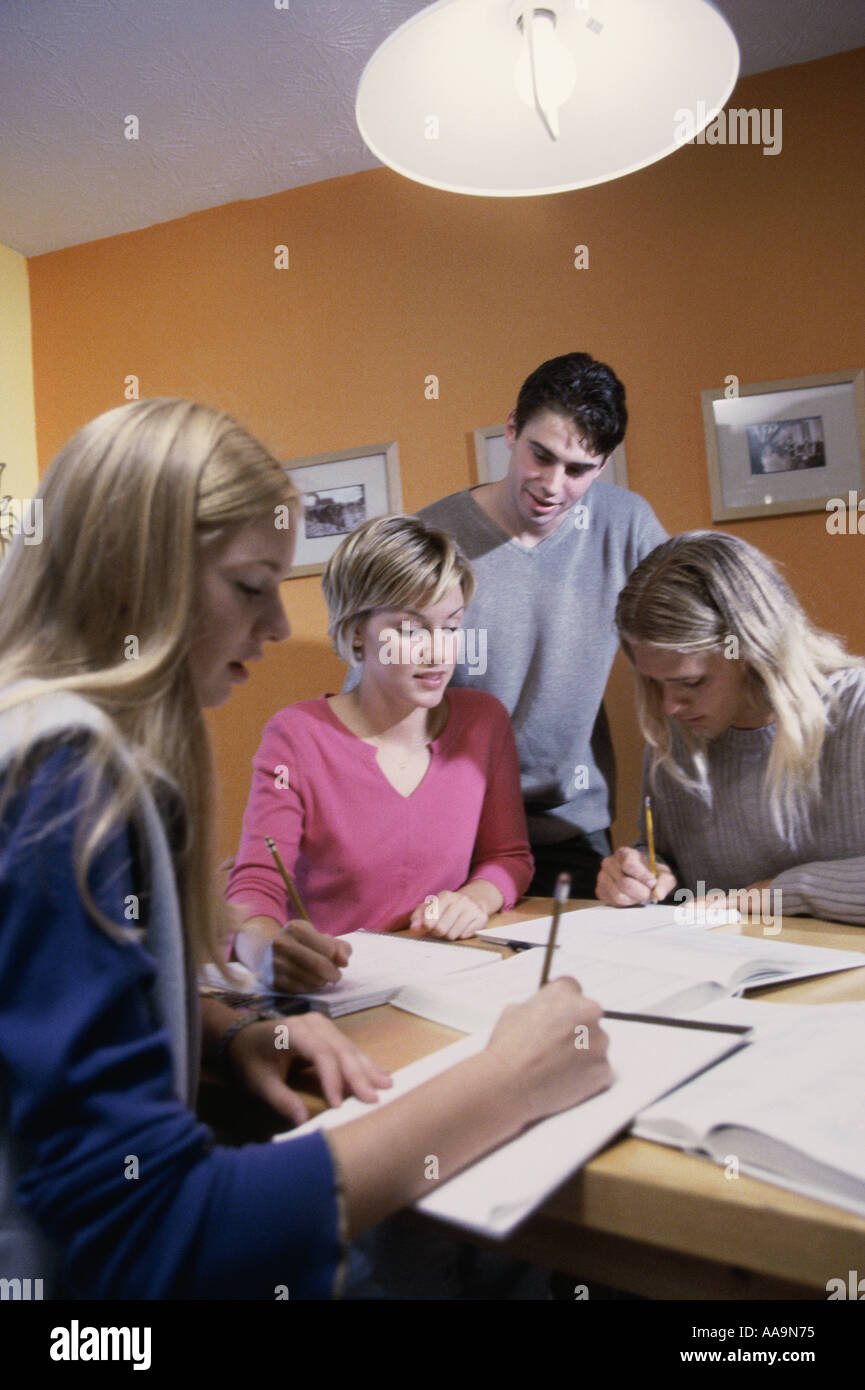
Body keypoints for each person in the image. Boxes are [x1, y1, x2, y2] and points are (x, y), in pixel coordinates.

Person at [0, 397, 611, 1299]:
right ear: (138, 574)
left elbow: (82, 1018)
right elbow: (148, 1234)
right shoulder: (67, 786)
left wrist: (230, 1032)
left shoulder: (52, 753)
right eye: (252, 586)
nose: (280, 629)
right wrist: (508, 1081)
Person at [226, 513, 533, 993]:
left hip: (444, 982)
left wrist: (476, 898)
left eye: (451, 626)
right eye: (410, 630)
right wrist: (266, 950)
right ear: (355, 631)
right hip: (336, 990)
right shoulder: (296, 735)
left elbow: (509, 857)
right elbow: (256, 886)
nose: (438, 653)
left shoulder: (484, 722)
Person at [418, 352, 667, 899]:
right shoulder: (430, 537)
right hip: (452, 825)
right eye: (541, 455)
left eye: (578, 470)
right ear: (511, 430)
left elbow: (690, 650)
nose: (553, 485)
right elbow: (376, 700)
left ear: (603, 465)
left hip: (571, 825)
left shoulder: (626, 524)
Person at [595, 530, 865, 926]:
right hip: (724, 958)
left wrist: (778, 893)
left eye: (691, 682)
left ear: (754, 649)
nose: (669, 706)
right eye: (654, 683)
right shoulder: (677, 732)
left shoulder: (856, 708)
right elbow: (668, 861)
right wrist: (644, 874)